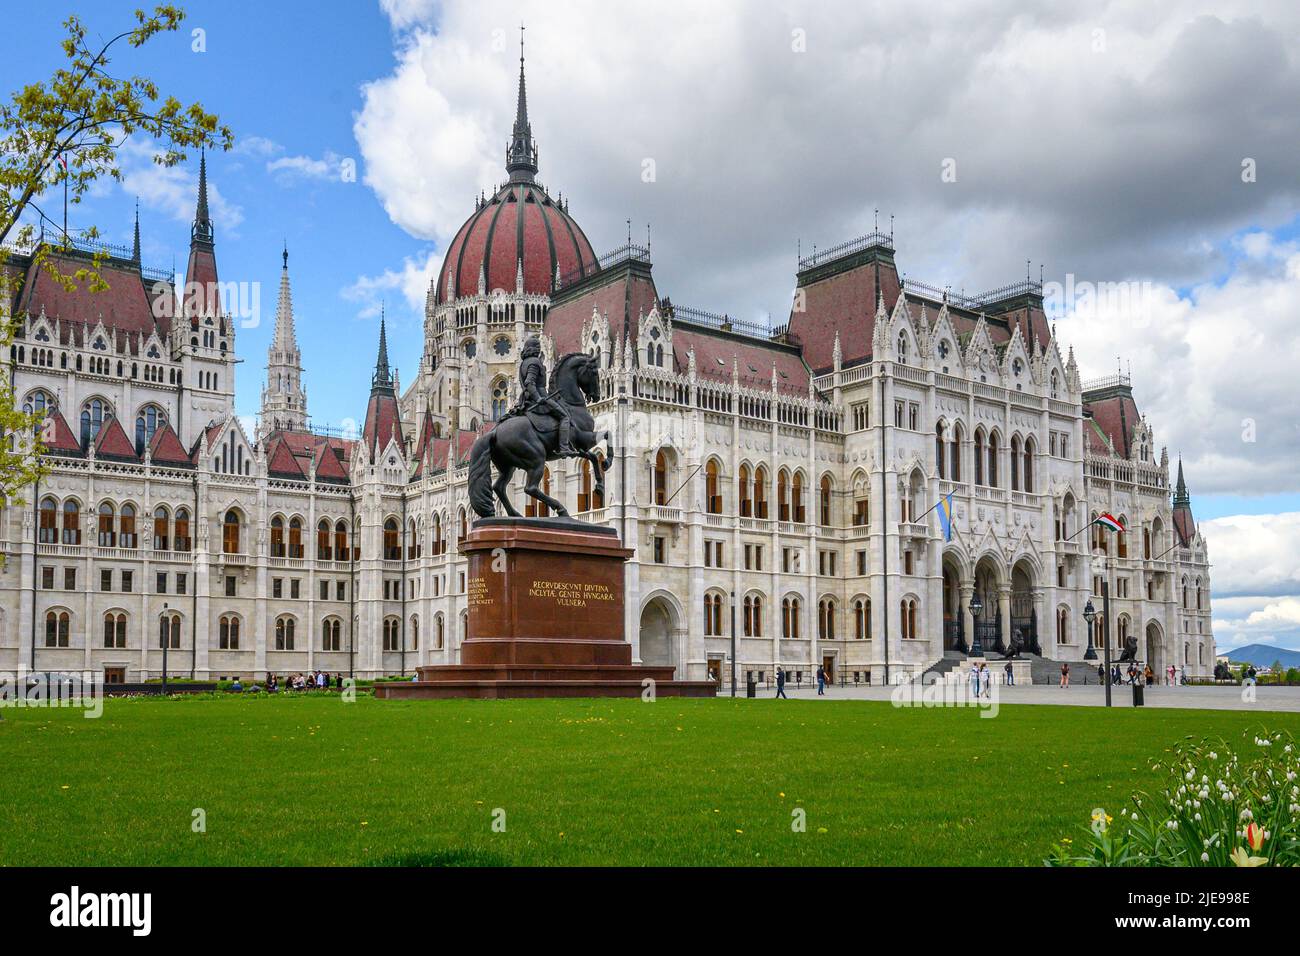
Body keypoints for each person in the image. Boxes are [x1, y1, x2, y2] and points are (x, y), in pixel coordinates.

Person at [508, 334, 577, 456]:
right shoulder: (534, 362)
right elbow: (529, 382)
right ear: (534, 348)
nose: (539, 349)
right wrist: (538, 398)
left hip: (526, 399)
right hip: (540, 397)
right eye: (538, 346)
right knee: (565, 416)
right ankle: (564, 447)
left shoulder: (523, 363)